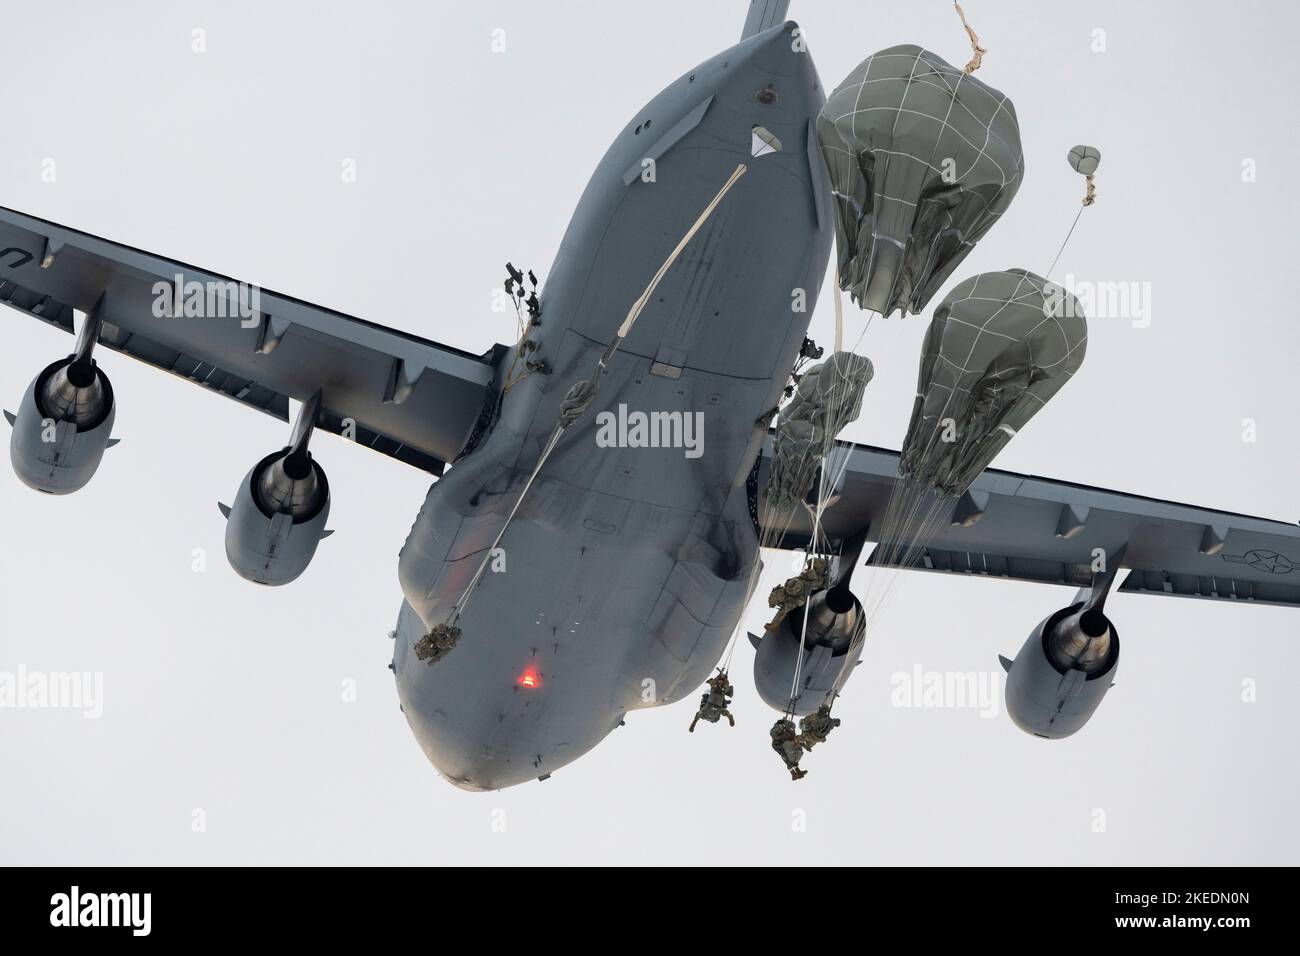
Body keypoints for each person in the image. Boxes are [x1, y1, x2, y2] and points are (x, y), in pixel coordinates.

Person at [765, 557, 829, 631]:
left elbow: (793, 592)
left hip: (795, 600)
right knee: (782, 609)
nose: (806, 570)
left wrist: (787, 587)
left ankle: (774, 626)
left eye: (807, 570)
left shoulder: (802, 583)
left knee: (783, 611)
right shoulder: (810, 581)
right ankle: (774, 625)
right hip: (796, 599)